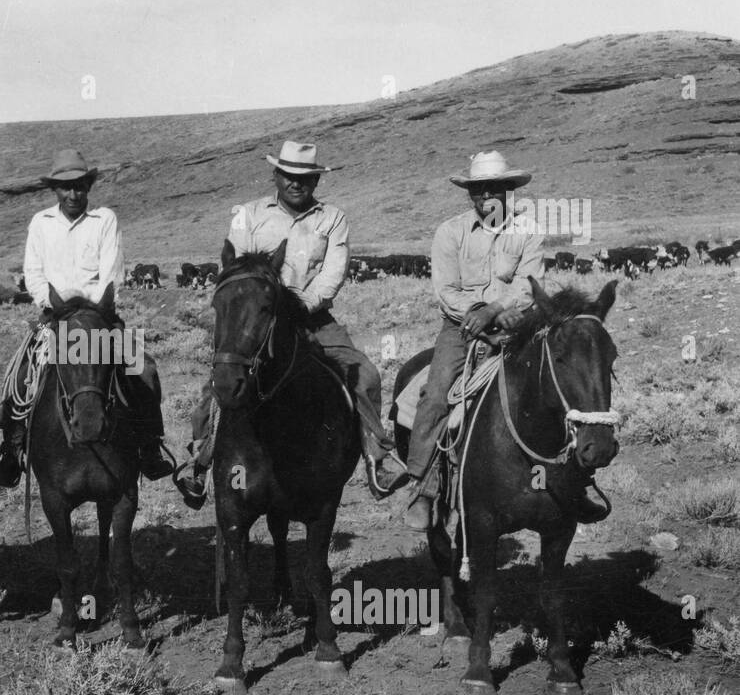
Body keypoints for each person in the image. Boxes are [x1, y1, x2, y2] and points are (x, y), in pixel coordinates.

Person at [174, 140, 408, 509]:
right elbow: (235, 268)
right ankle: (199, 462)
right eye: (289, 176)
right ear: (276, 175)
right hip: (255, 321)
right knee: (220, 382)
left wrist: (297, 308)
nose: (297, 183)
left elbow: (333, 273)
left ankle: (378, 457)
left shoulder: (332, 218)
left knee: (364, 374)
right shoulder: (248, 215)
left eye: (306, 177)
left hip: (311, 319)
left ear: (316, 181)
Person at [0, 148, 172, 487]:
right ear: (55, 189)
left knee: (143, 368)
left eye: (80, 186)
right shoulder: (40, 224)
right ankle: (12, 450)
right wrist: (54, 303)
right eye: (66, 187)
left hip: (99, 317)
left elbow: (111, 274)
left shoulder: (105, 219)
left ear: (88, 187)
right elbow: (34, 274)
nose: (73, 194)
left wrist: (90, 306)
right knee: (20, 372)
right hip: (54, 316)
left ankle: (150, 447)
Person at [401, 150, 544, 531]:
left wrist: (495, 310)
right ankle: (423, 484)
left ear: (507, 191)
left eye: (493, 190)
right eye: (478, 191)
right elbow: (446, 291)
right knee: (435, 395)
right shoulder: (450, 232)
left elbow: (528, 285)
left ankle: (569, 478)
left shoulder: (528, 230)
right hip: (461, 328)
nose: (485, 198)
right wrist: (480, 313)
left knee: (553, 383)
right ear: (470, 194)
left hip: (515, 324)